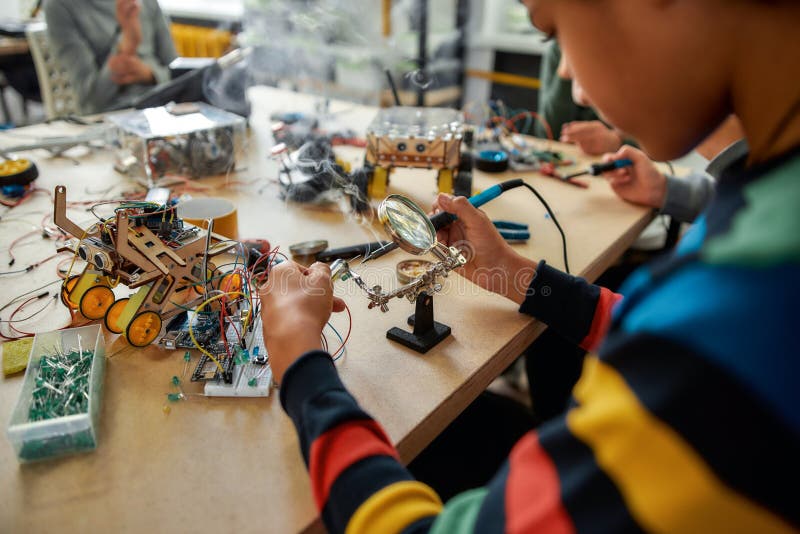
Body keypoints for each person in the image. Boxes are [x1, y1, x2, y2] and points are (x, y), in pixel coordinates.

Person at [260, 0, 799, 532]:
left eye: (553, 30)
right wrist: (515, 274)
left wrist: (303, 365)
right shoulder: (768, 215)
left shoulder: (736, 313)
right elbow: (642, 321)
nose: (568, 76)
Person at [44, 0, 177, 114]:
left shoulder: (146, 3)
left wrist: (149, 74)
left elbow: (177, 72)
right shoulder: (60, 6)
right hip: (108, 116)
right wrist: (125, 46)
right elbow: (91, 101)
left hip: (162, 108)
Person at [535, 40, 631, 155]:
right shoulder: (558, 49)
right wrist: (565, 69)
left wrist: (617, 141)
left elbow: (656, 142)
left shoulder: (636, 48)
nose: (582, 98)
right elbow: (547, 134)